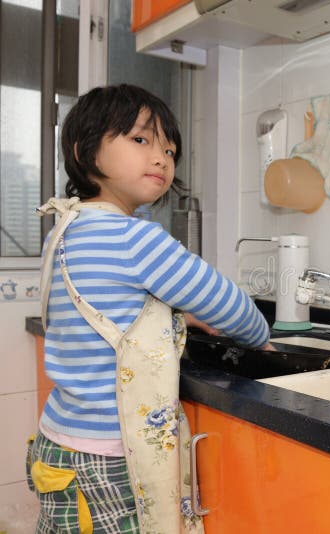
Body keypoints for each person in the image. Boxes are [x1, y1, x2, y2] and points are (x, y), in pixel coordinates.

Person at [27, 84, 271, 533]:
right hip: (115, 456)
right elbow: (232, 307)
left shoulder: (63, 230)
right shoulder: (136, 239)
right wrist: (261, 336)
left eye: (169, 149)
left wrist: (180, 315)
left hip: (58, 441)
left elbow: (108, 304)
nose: (161, 157)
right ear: (86, 152)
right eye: (141, 140)